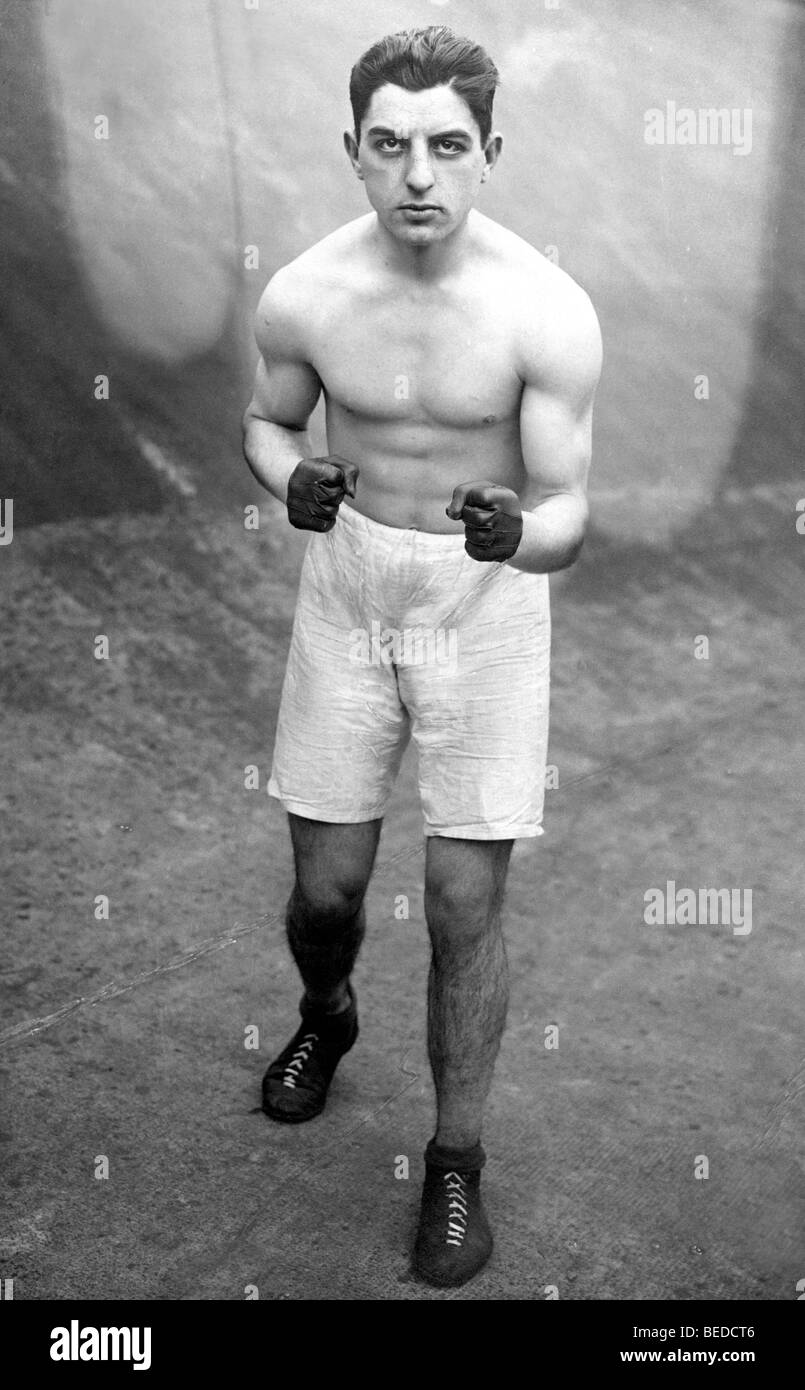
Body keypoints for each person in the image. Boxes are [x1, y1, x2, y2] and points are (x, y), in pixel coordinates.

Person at [242, 24, 602, 1289]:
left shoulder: (544, 312)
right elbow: (266, 420)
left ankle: (455, 1167)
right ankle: (326, 1015)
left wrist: (521, 536)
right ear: (352, 150)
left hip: (485, 604)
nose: (418, 177)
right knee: (327, 892)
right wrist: (289, 478)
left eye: (446, 146)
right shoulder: (303, 292)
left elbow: (565, 508)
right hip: (349, 588)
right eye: (389, 145)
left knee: (462, 903)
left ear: (489, 153)